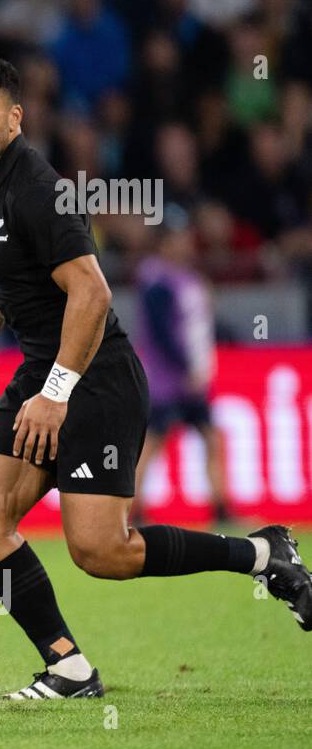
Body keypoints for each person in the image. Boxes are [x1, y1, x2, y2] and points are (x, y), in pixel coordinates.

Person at [0, 54, 310, 700]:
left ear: (15, 118)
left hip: (94, 377)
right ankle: (68, 669)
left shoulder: (39, 191)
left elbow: (92, 294)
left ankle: (264, 555)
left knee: (103, 553)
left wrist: (57, 393)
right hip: (41, 375)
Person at [131, 211, 232, 525]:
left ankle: (221, 508)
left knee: (210, 438)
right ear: (164, 243)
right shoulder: (157, 281)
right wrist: (188, 367)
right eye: (178, 238)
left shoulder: (186, 279)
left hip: (190, 381)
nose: (185, 243)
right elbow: (161, 333)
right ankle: (134, 508)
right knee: (155, 443)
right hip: (168, 381)